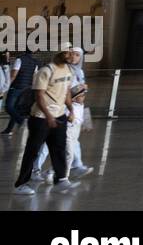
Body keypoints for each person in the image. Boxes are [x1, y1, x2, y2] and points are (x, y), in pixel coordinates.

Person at [12, 47, 78, 195]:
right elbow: (39, 96)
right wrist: (48, 115)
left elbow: (66, 91)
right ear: (59, 54)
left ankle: (61, 179)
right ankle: (21, 184)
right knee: (32, 151)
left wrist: (71, 109)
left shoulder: (68, 70)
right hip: (40, 117)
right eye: (67, 53)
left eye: (71, 52)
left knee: (59, 148)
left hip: (59, 115)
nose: (70, 55)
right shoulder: (46, 71)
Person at [34, 44, 93, 182]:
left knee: (70, 143)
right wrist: (79, 90)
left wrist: (86, 119)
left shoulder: (80, 73)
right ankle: (52, 174)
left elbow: (82, 99)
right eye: (72, 54)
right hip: (62, 112)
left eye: (78, 55)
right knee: (53, 145)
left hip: (75, 114)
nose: (74, 57)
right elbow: (61, 93)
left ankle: (65, 169)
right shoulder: (62, 71)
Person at [2, 48, 38, 135]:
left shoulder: (19, 59)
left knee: (8, 107)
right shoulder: (35, 62)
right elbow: (34, 77)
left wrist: (6, 87)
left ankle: (22, 121)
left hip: (16, 87)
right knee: (16, 109)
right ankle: (9, 130)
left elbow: (13, 75)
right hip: (27, 89)